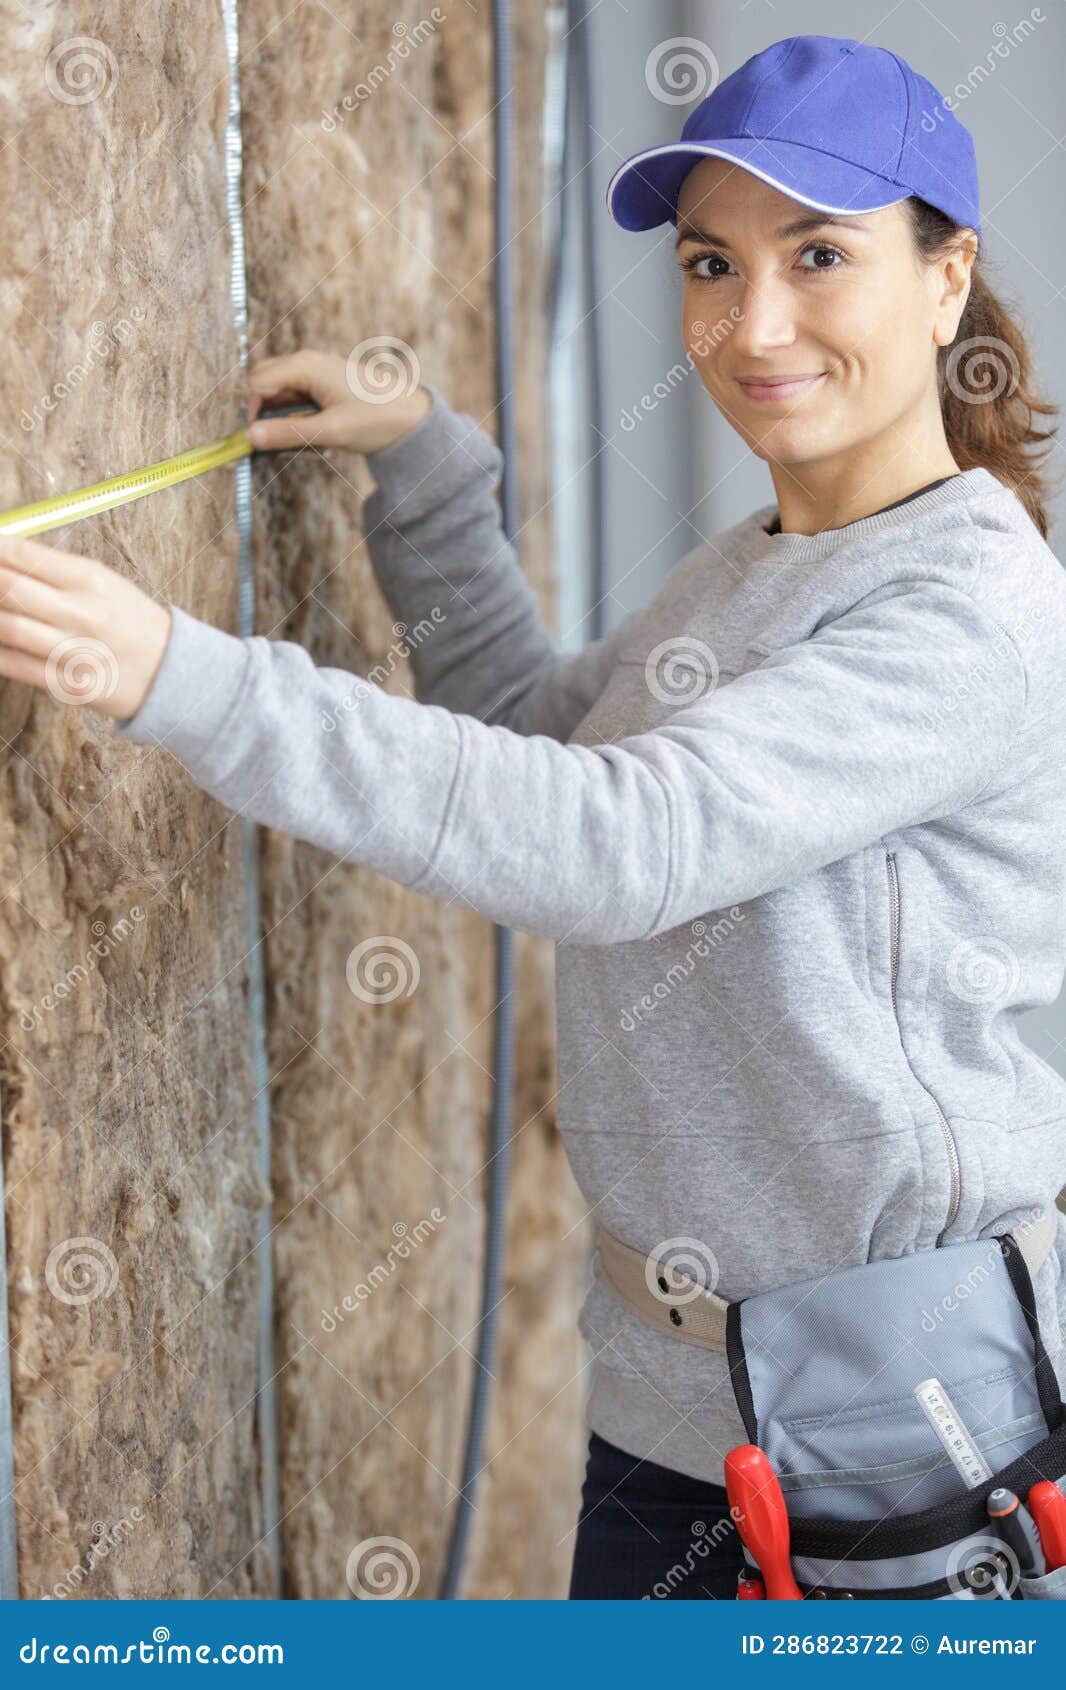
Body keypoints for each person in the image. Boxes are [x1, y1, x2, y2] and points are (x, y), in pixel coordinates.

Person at [0, 34, 1064, 1601]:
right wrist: (422, 470)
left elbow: (615, 847)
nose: (749, 324)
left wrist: (182, 676)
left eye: (817, 255)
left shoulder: (963, 615)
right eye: (712, 262)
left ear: (943, 276)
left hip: (890, 1432)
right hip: (675, 1414)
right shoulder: (759, 561)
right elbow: (539, 742)